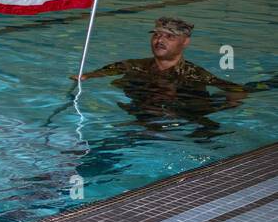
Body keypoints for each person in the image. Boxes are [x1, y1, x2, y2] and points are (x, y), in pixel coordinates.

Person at [76, 16, 247, 135]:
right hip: (142, 117)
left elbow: (234, 89)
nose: (159, 40)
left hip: (181, 123)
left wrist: (230, 102)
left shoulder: (193, 74)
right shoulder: (138, 65)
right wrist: (88, 76)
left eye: (169, 37)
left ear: (185, 42)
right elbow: (113, 68)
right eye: (156, 35)